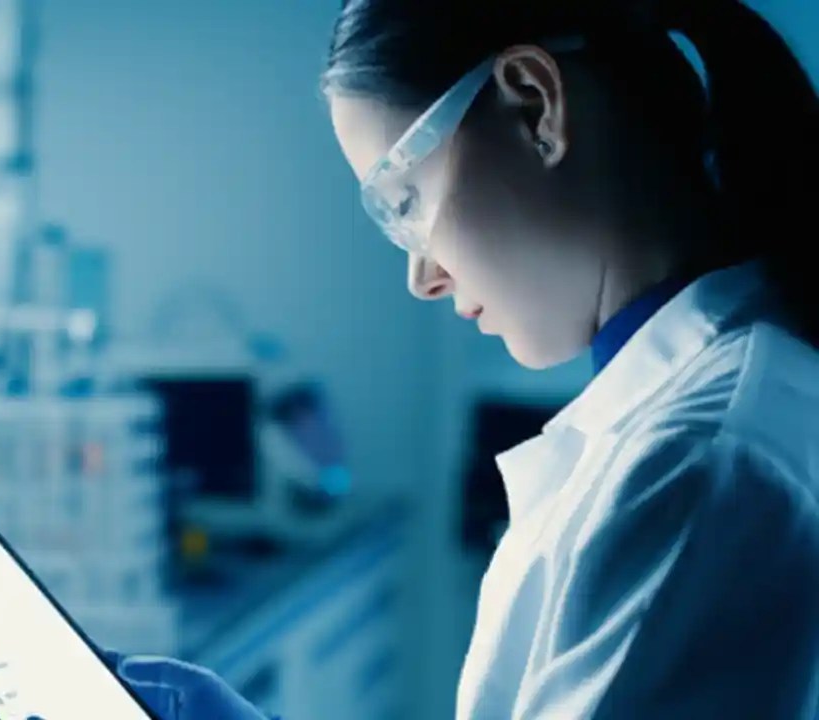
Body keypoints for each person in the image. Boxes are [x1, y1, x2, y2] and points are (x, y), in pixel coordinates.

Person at [110, 0, 819, 717]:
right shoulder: (696, 417)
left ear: (534, 105)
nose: (423, 278)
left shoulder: (697, 467)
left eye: (407, 200)